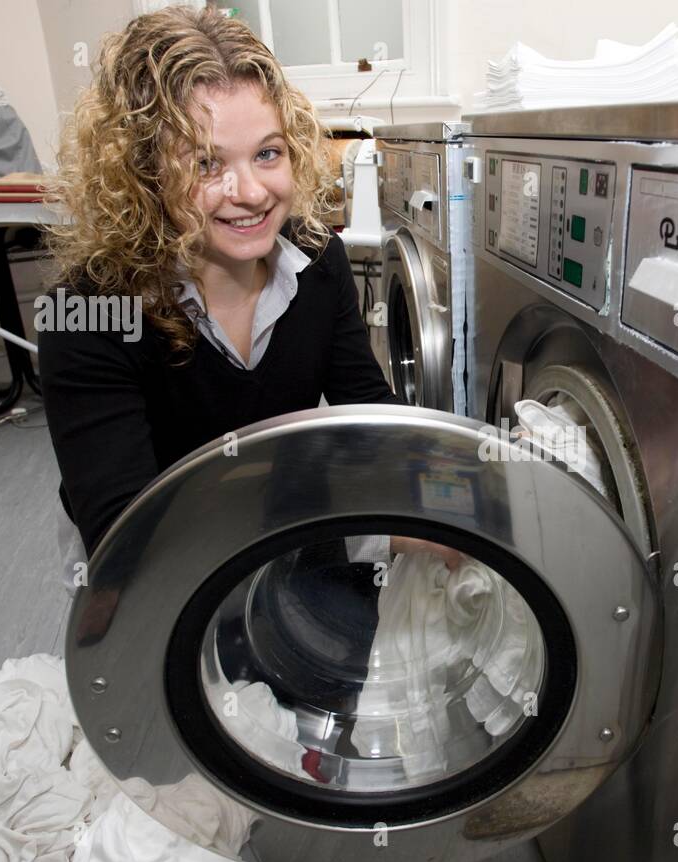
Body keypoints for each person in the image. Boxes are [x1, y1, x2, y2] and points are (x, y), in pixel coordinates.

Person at [39, 5, 458, 596]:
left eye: (267, 153)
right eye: (207, 164)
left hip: (285, 528)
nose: (252, 192)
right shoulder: (88, 313)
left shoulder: (315, 261)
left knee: (330, 666)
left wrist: (456, 488)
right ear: (143, 175)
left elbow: (366, 411)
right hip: (155, 571)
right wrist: (367, 529)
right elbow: (125, 540)